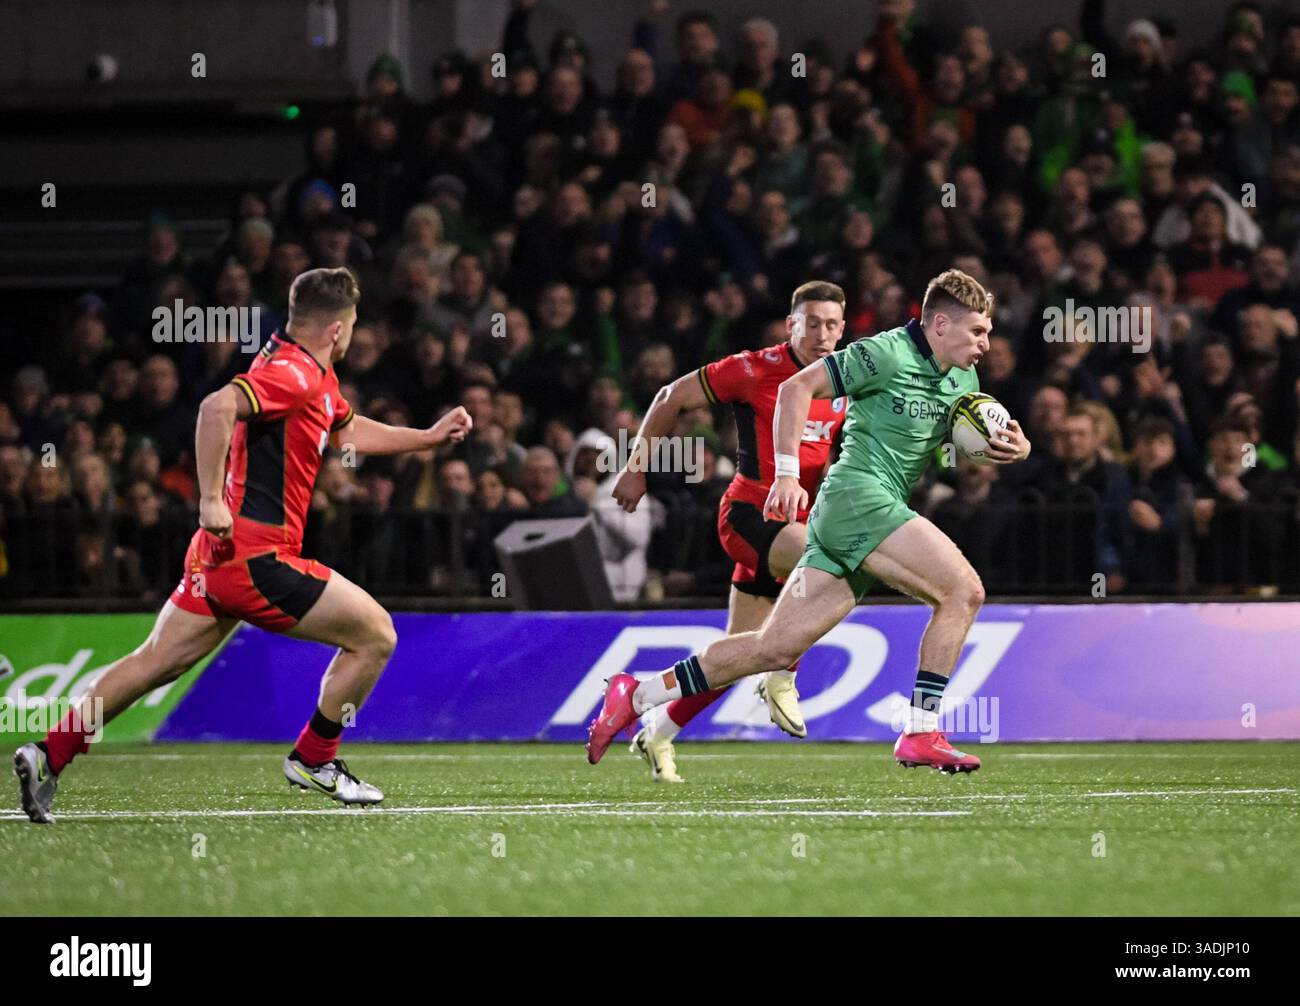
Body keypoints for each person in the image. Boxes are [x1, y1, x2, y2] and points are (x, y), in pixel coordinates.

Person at [13, 268, 472, 824]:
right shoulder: (294, 374)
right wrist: (210, 498)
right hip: (259, 557)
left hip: (218, 559)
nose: (351, 336)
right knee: (375, 636)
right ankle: (314, 758)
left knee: (153, 662)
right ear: (335, 329)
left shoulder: (303, 368)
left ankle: (48, 753)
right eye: (351, 325)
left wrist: (425, 437)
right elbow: (215, 408)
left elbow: (346, 431)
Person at [590, 270, 1032, 774]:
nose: (987, 343)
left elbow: (962, 442)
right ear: (939, 324)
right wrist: (783, 474)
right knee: (963, 592)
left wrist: (1017, 448)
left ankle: (638, 694)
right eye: (978, 331)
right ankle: (920, 729)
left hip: (841, 515)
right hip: (857, 500)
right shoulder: (885, 352)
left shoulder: (964, 380)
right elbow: (796, 390)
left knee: (771, 647)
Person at [611, 281, 848, 782]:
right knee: (826, 569)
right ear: (791, 325)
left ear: (843, 329)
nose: (821, 334)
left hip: (791, 527)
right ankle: (782, 675)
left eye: (831, 324)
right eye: (812, 323)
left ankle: (656, 733)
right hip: (748, 514)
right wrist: (637, 466)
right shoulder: (754, 368)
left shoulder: (845, 380)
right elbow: (670, 395)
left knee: (736, 655)